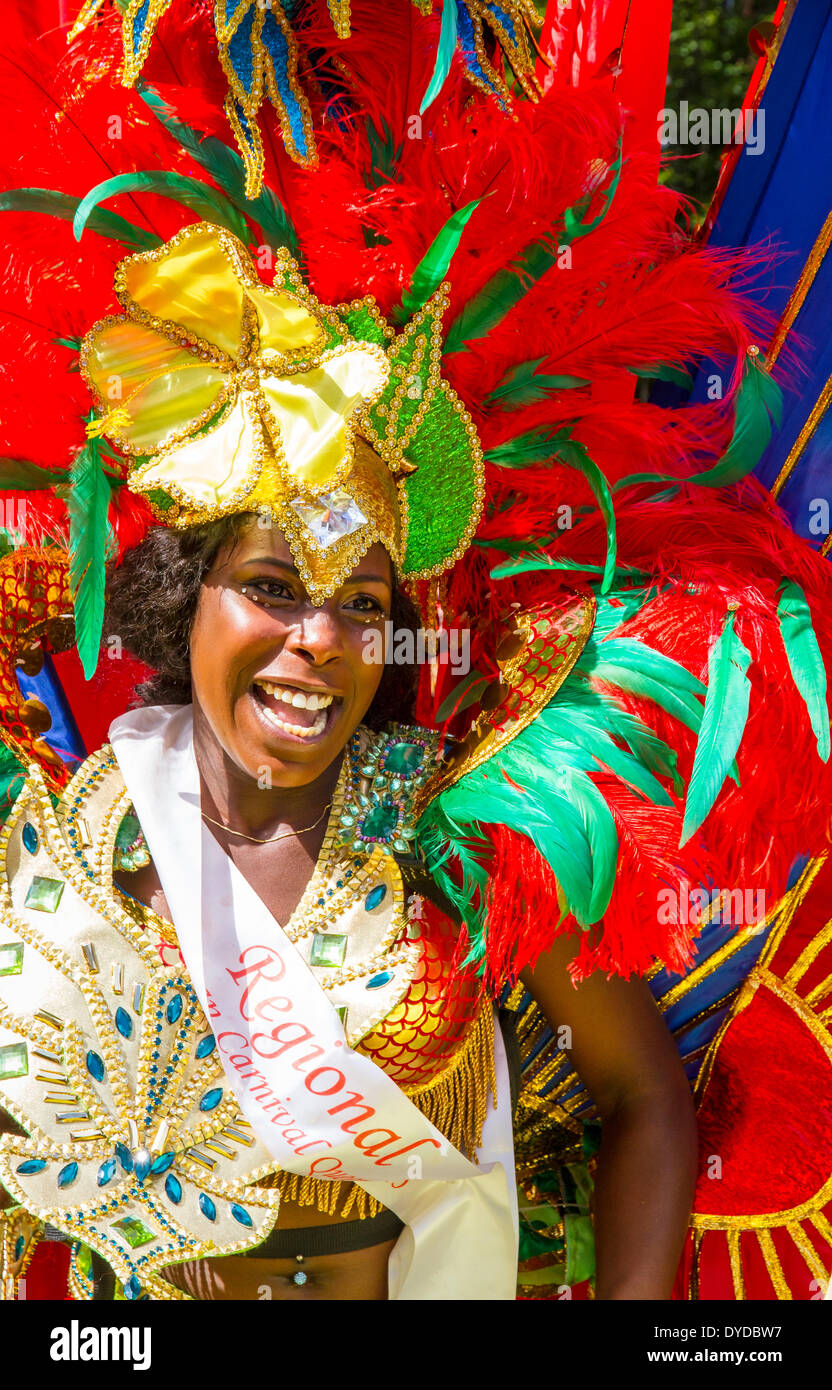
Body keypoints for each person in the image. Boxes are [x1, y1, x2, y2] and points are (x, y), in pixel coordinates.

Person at [1, 1, 832, 1304]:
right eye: (273, 586)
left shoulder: (446, 834)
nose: (318, 640)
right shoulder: (59, 835)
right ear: (188, 599)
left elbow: (642, 1100)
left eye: (362, 601)